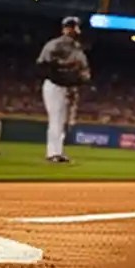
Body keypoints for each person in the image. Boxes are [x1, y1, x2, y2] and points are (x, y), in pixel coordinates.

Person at [36, 16, 90, 163]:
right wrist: (63, 67)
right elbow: (42, 63)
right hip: (54, 85)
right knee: (55, 119)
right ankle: (52, 153)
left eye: (75, 27)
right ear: (65, 28)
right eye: (72, 27)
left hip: (67, 87)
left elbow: (84, 70)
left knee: (61, 121)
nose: (74, 30)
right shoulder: (55, 45)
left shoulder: (77, 48)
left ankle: (58, 152)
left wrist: (81, 77)